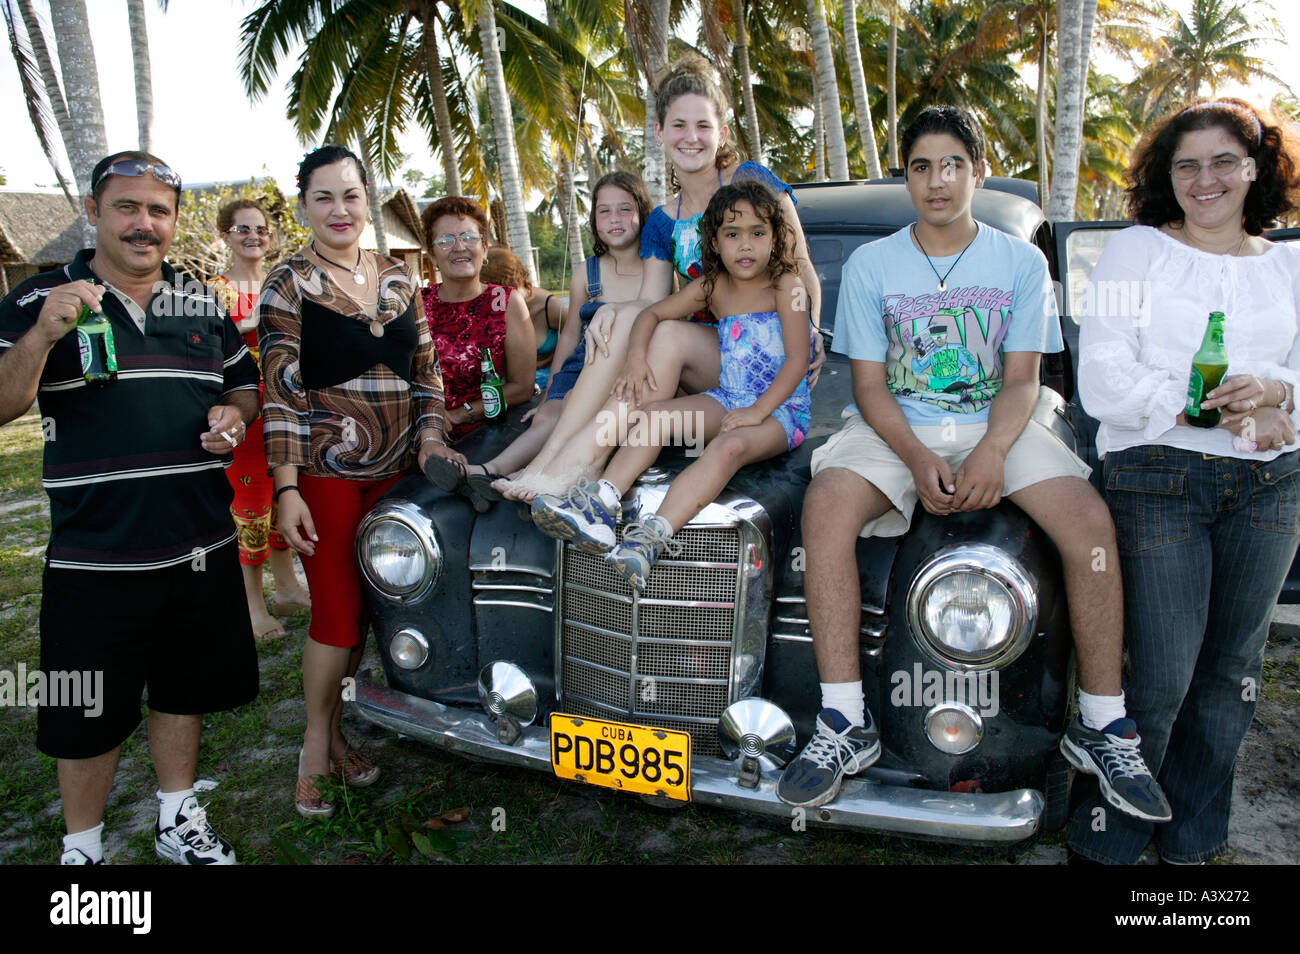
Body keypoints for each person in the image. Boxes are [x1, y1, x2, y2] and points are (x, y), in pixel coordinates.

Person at [773, 106, 1171, 823]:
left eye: (953, 163)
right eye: (921, 166)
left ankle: (1103, 722)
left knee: (1088, 523)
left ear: (977, 172)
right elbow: (868, 387)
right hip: (898, 425)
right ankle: (842, 721)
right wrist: (919, 456)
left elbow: (1024, 379)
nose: (937, 180)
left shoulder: (1018, 262)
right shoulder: (873, 265)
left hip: (997, 423)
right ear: (907, 177)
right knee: (825, 504)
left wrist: (990, 449)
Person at [0, 151, 261, 864]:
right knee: (85, 712)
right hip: (95, 555)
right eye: (127, 207)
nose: (144, 224)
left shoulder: (197, 303)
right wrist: (43, 335)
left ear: (174, 222)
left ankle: (178, 820)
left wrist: (232, 417)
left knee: (183, 690)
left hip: (199, 544)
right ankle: (82, 851)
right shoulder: (37, 300)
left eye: (159, 210)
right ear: (93, 212)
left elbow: (244, 387)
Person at [1069, 99, 1300, 864]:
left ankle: (1192, 846)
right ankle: (1106, 843)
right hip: (1157, 479)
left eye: (1225, 160)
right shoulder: (1135, 252)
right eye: (1187, 165)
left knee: (1231, 674)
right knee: (1160, 675)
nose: (1207, 179)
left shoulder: (1292, 265)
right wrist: (1201, 402)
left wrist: (1276, 392)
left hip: (1271, 487)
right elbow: (1100, 376)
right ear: (1166, 178)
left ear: (1256, 167)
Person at [493, 55, 822, 502]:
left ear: (720, 133)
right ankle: (554, 461)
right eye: (680, 126)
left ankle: (576, 461)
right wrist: (612, 310)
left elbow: (801, 267)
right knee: (633, 321)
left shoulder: (751, 183)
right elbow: (650, 305)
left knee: (658, 331)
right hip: (709, 365)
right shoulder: (663, 221)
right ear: (661, 134)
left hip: (771, 356)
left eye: (703, 126)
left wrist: (813, 330)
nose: (692, 138)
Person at [259, 145, 459, 818]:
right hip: (325, 476)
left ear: (366, 199)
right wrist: (286, 489)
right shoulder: (289, 283)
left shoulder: (401, 278)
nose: (340, 210)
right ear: (303, 207)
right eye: (324, 197)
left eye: (350, 195)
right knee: (338, 619)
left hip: (398, 479)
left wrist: (432, 438)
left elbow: (428, 377)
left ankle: (340, 733)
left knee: (375, 619)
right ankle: (315, 747)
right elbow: (281, 394)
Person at [532, 181, 812, 588]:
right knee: (654, 416)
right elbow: (650, 316)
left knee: (728, 446)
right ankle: (602, 503)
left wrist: (757, 411)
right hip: (730, 397)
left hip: (782, 410)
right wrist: (635, 359)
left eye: (757, 233)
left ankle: (652, 536)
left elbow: (799, 360)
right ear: (714, 242)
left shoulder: (787, 285)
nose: (746, 246)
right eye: (732, 235)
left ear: (775, 236)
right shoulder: (713, 286)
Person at [427, 171, 650, 511]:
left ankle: (532, 472)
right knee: (549, 414)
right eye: (604, 211)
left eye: (625, 209)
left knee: (576, 407)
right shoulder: (587, 274)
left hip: (625, 366)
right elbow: (571, 335)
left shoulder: (655, 265)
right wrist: (550, 393)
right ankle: (495, 471)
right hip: (583, 364)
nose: (614, 219)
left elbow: (654, 314)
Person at [208, 199, 311, 642]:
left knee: (283, 497)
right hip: (244, 409)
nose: (254, 236)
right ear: (226, 235)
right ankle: (251, 607)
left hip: (287, 408)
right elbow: (215, 345)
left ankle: (287, 588)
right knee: (249, 508)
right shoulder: (213, 290)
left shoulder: (283, 281)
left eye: (261, 229)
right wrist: (256, 319)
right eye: (242, 228)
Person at [417, 196, 534, 457]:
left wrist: (461, 415)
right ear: (432, 254)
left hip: (488, 436)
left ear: (484, 246)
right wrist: (432, 423)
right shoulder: (415, 304)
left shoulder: (506, 302)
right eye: (445, 241)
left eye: (468, 237)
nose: (459, 247)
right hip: (423, 435)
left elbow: (522, 387)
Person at [479, 245, 565, 389]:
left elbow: (579, 338)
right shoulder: (493, 309)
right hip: (510, 389)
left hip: (551, 385)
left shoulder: (548, 306)